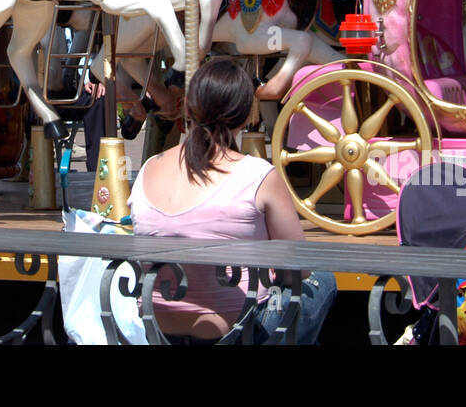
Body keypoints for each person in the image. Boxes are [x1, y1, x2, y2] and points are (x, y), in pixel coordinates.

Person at [127, 58, 337, 344]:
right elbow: (299, 268)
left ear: (188, 107)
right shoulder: (257, 174)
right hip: (234, 329)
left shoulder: (149, 167)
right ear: (246, 116)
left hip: (160, 326)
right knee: (322, 279)